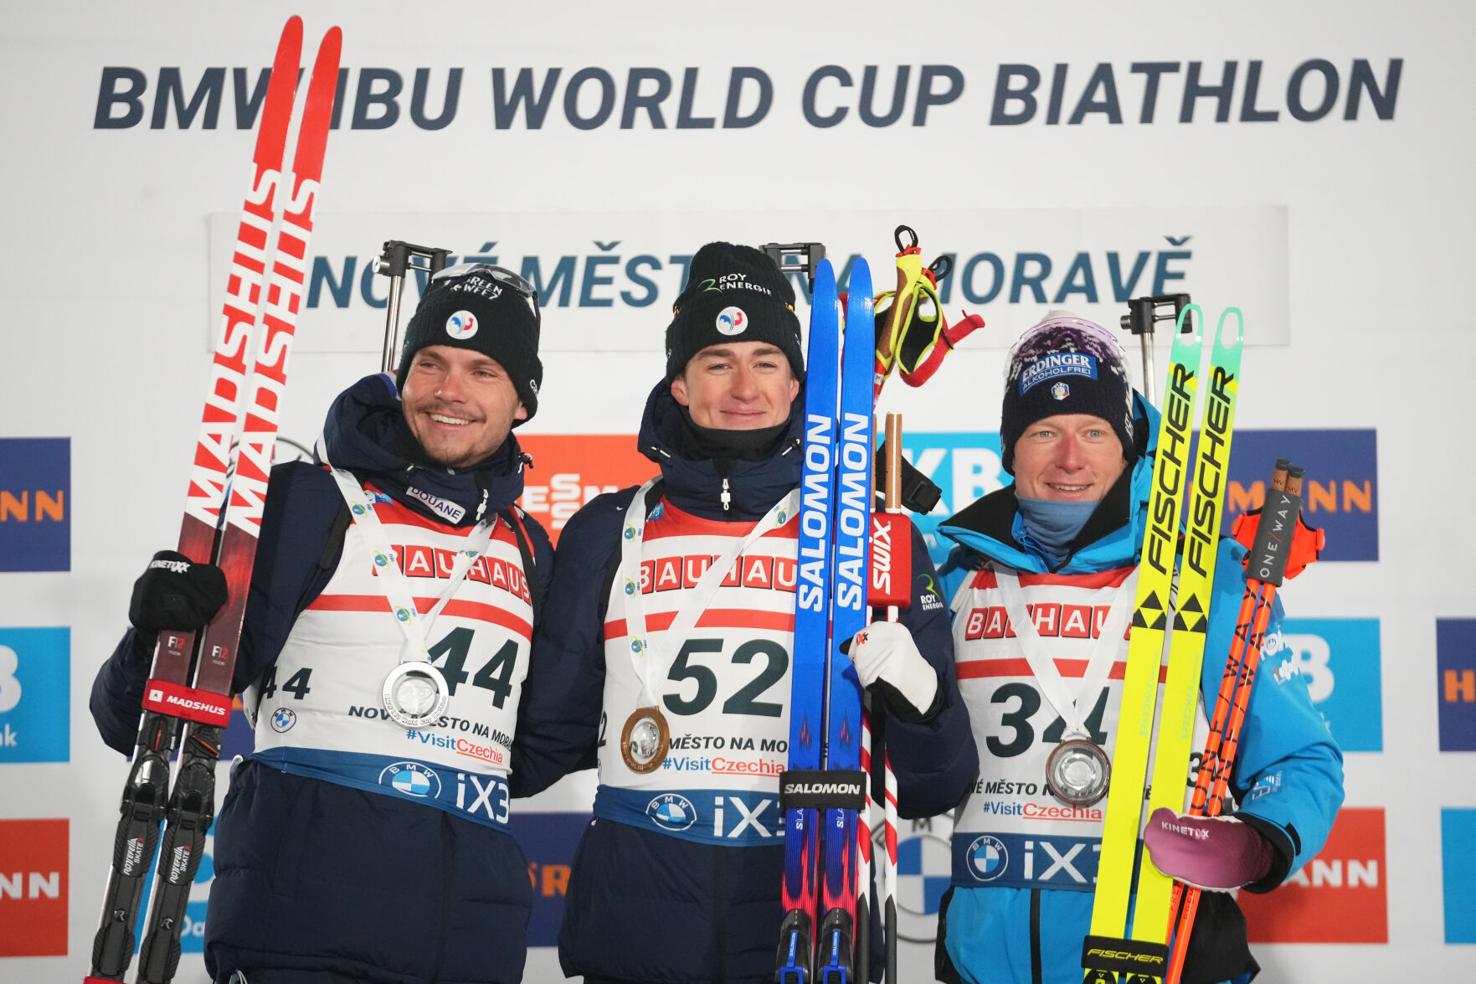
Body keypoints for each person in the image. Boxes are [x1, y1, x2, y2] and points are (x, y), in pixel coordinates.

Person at [510, 242, 978, 983]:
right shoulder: (610, 529)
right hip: (640, 911)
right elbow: (540, 743)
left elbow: (933, 786)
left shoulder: (868, 531)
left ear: (799, 383)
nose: (743, 385)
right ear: (679, 383)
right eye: (716, 361)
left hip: (803, 902)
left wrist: (921, 704)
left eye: (765, 360)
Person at [90, 263, 554, 984]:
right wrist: (158, 629)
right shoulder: (309, 502)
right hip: (303, 926)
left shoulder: (527, 545)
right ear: (401, 375)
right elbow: (148, 721)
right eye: (429, 363)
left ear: (522, 399)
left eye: (482, 370)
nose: (448, 391)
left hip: (469, 935)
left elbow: (539, 744)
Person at [932, 312, 1345, 984]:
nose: (1071, 458)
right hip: (984, 964)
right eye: (1044, 432)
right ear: (1010, 450)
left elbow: (1300, 759)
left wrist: (1258, 843)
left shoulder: (1203, 580)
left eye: (1094, 432)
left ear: (1127, 447)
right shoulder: (957, 575)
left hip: (1171, 953)